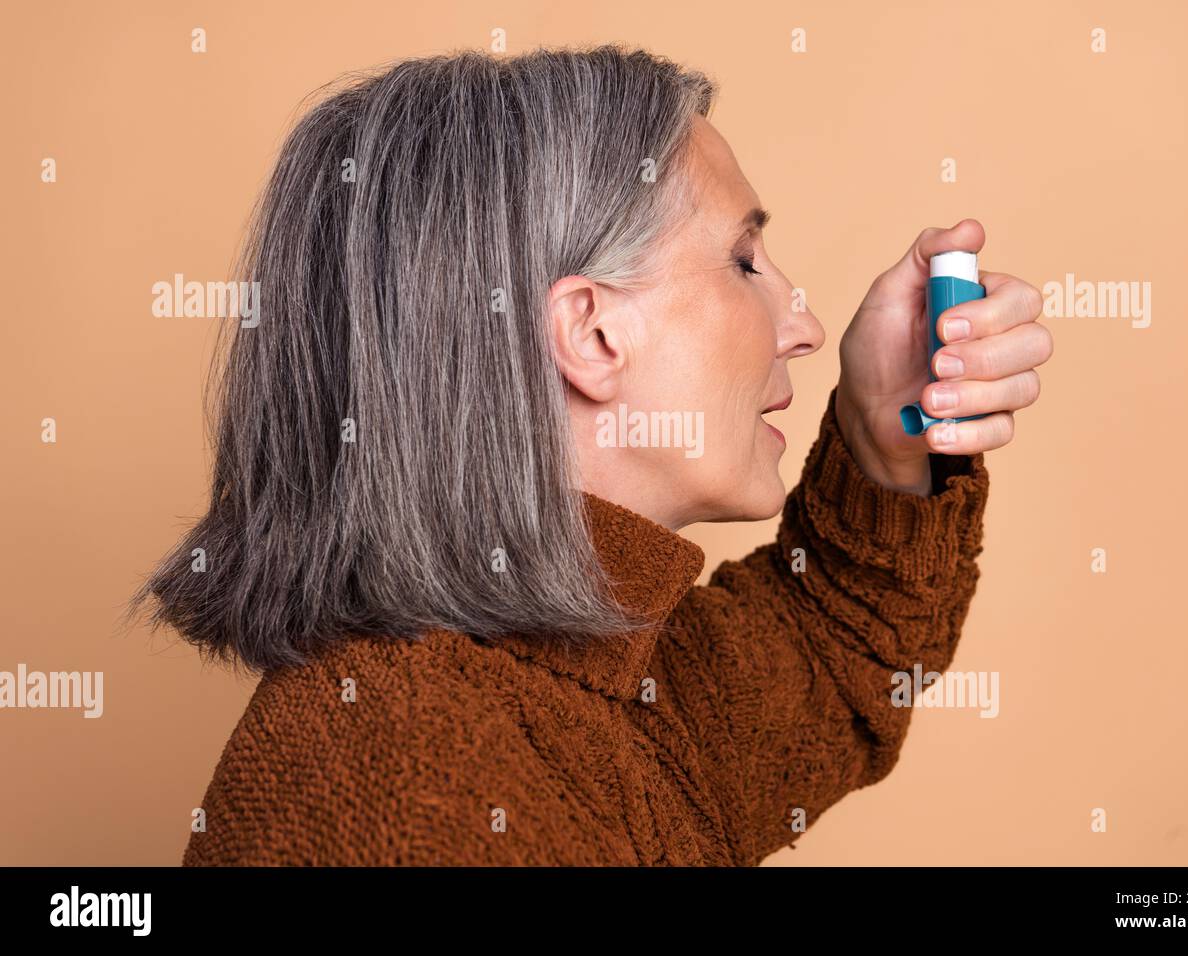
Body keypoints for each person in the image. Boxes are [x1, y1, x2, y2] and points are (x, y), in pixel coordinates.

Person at [134, 45, 1051, 866]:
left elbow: (836, 654)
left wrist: (884, 434)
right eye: (742, 262)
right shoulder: (399, 793)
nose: (804, 325)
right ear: (592, 334)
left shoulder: (609, 678)